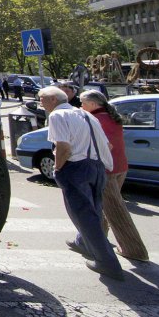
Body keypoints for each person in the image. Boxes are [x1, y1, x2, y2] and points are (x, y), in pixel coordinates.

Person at [40, 85, 124, 280]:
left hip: (75, 168)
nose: (40, 103)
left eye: (42, 99)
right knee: (93, 212)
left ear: (53, 99)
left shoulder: (57, 116)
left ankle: (107, 263)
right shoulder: (87, 115)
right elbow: (108, 145)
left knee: (84, 216)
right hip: (97, 168)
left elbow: (63, 147)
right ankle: (83, 243)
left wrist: (58, 168)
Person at [79, 90, 149, 262]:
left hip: (107, 171)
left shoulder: (95, 120)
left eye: (83, 103)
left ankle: (134, 250)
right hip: (119, 167)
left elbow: (106, 146)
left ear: (93, 104)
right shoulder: (111, 116)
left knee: (116, 211)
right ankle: (88, 240)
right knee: (104, 207)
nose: (81, 106)